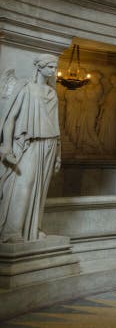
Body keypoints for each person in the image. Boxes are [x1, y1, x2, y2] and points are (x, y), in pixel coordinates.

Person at [0, 55, 61, 243]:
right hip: (30, 143)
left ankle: (32, 229)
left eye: (55, 67)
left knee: (41, 189)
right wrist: (7, 148)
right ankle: (12, 231)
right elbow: (10, 118)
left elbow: (57, 127)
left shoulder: (52, 92)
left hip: (50, 144)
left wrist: (59, 154)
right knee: (24, 184)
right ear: (39, 67)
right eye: (50, 66)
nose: (53, 70)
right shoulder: (26, 88)